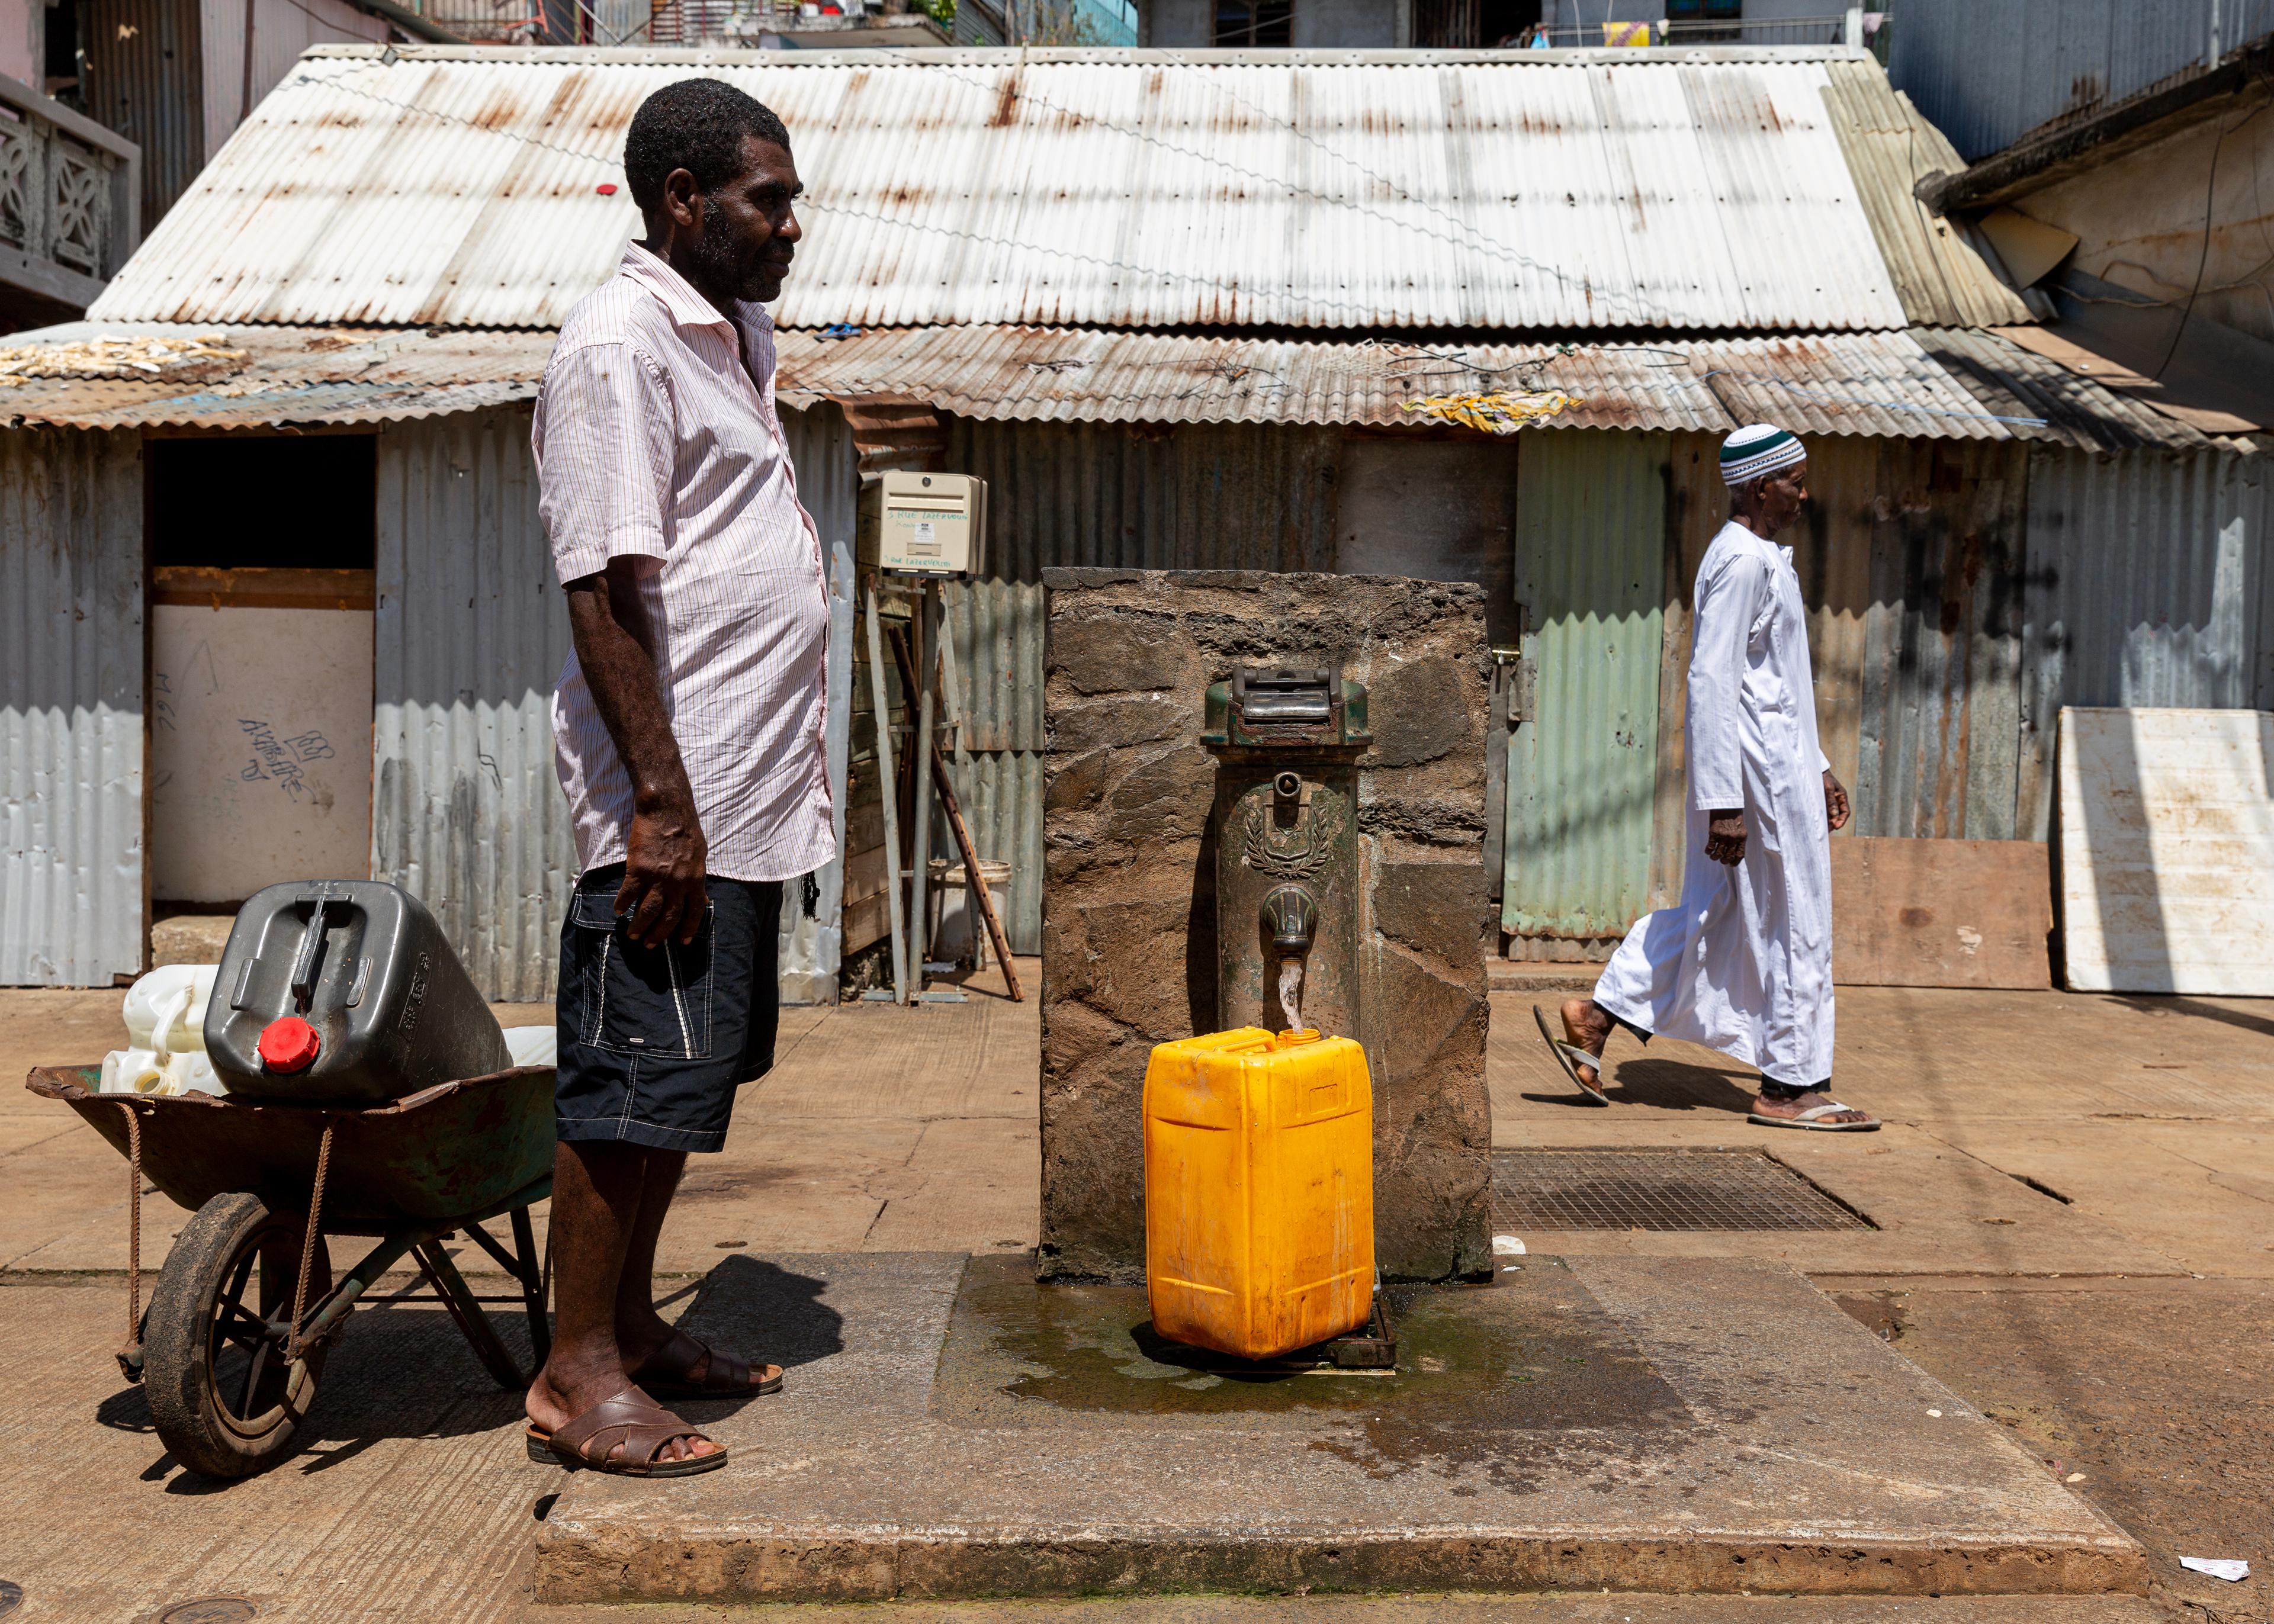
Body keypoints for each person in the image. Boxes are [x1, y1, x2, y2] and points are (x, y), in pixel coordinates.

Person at [523, 78, 835, 1477]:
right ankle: (574, 1373)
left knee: (683, 1085)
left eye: (789, 198)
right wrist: (656, 800)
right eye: (767, 198)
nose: (789, 226)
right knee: (624, 1084)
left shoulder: (732, 333)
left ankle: (634, 1326)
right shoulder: (617, 345)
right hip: (669, 806)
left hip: (740, 804)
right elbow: (599, 587)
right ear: (682, 201)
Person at [1534, 424, 1878, 1133]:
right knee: (1791, 924)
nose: (1804, 496)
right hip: (1755, 782)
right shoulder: (1744, 562)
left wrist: (1818, 766)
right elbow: (1714, 682)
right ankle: (1789, 1087)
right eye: (1795, 482)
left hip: (1779, 771)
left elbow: (1776, 683)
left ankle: (1598, 1017)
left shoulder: (1762, 558)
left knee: (1715, 910)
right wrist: (1724, 802)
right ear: (1760, 487)